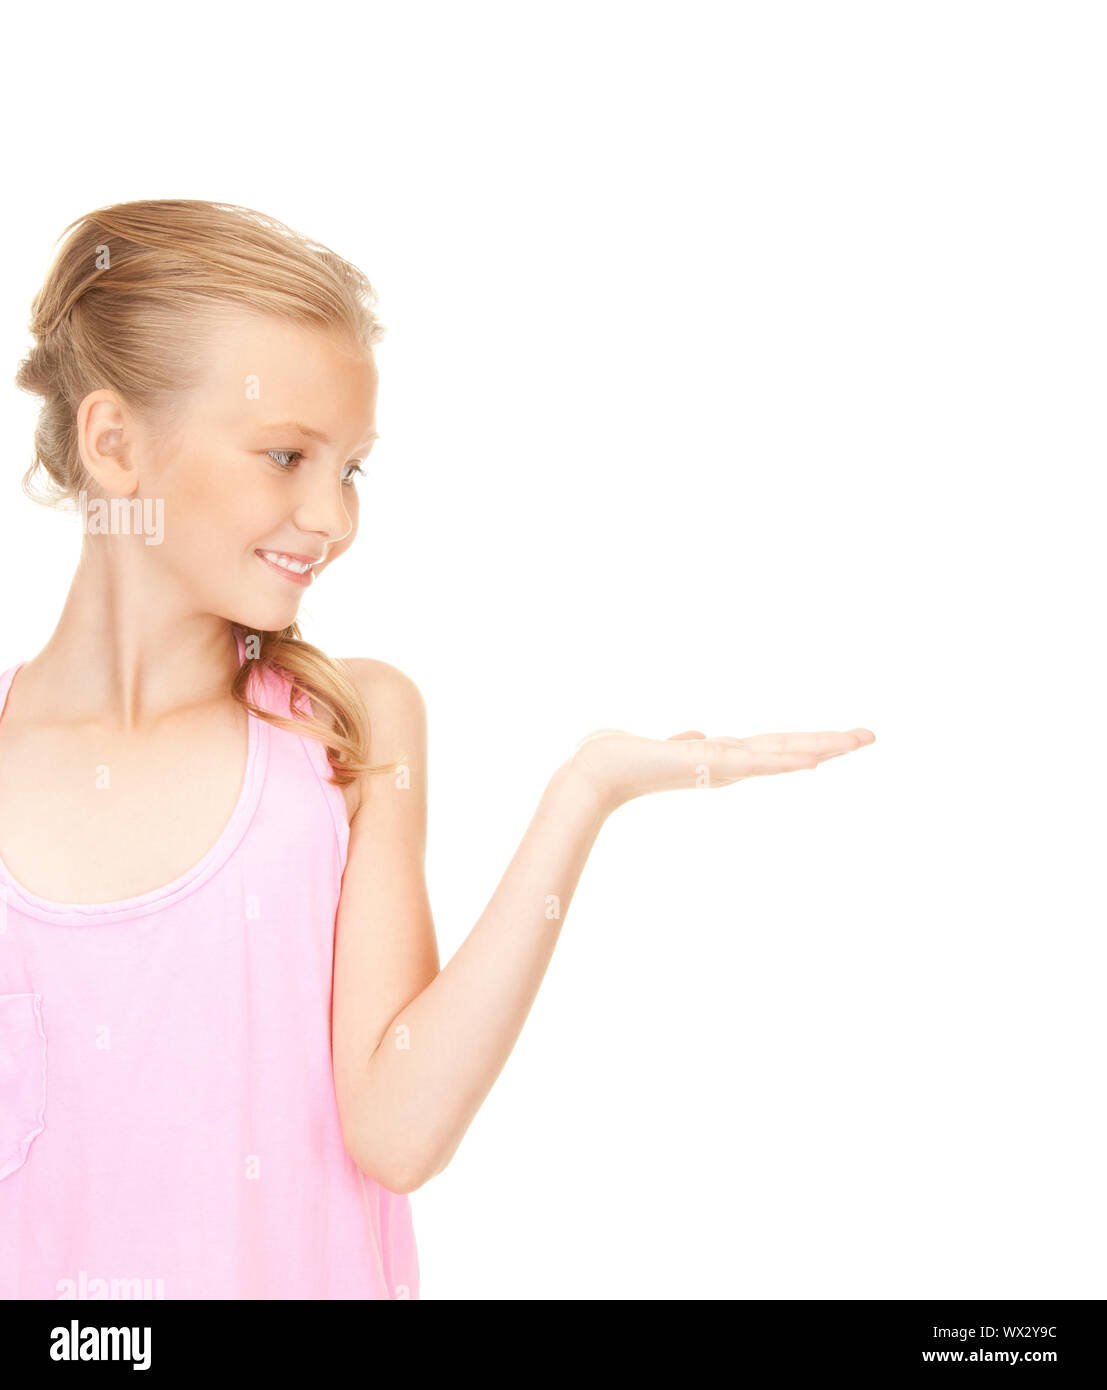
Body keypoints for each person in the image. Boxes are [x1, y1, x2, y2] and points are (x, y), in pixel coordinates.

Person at [0, 199, 874, 1300]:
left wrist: (584, 792)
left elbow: (399, 1134)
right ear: (116, 444)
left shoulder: (345, 732)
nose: (334, 516)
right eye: (287, 455)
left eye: (352, 468)